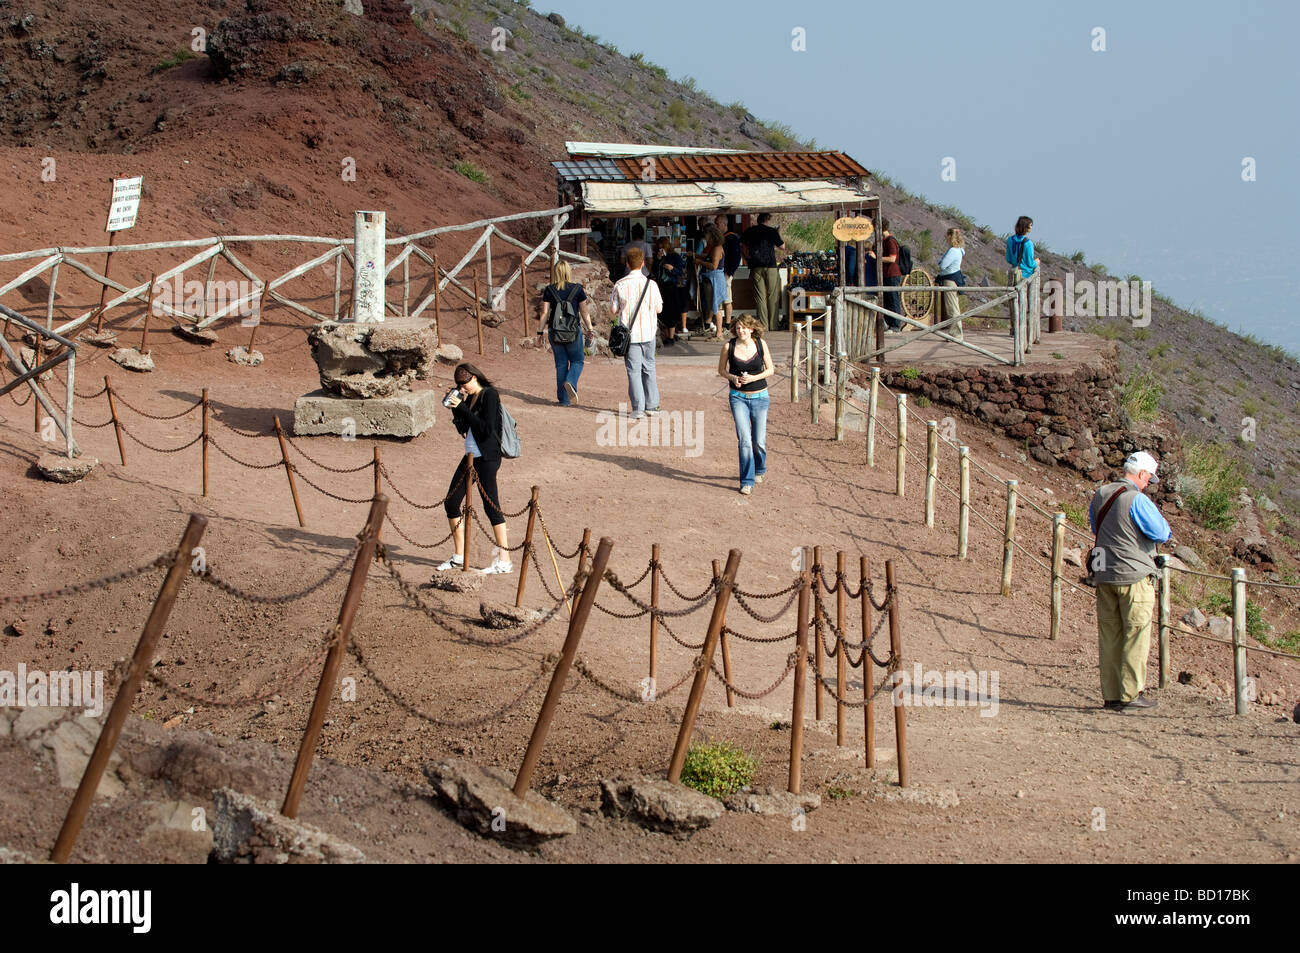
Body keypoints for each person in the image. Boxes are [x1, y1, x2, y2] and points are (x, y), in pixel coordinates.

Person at [1088, 451, 1171, 712]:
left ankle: (1111, 695)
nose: (1149, 484)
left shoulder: (1101, 494)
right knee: (1135, 634)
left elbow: (1095, 527)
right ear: (1142, 474)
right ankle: (1130, 693)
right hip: (1134, 576)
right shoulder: (1137, 499)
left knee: (1109, 634)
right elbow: (1161, 532)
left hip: (1104, 575)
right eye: (1149, 479)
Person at [437, 363, 512, 574]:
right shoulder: (468, 398)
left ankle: (504, 560)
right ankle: (459, 556)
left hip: (487, 457)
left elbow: (486, 429)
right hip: (470, 456)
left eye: (466, 382)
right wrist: (456, 410)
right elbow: (464, 429)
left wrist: (462, 408)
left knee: (491, 506)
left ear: (475, 378)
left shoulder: (490, 395)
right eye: (460, 384)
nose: (464, 387)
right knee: (451, 502)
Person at [717, 315, 774, 495]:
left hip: (760, 397)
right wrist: (733, 378)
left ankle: (760, 468)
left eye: (744, 327)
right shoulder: (729, 346)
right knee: (745, 440)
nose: (741, 331)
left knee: (759, 441)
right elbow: (721, 370)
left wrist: (753, 378)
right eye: (738, 328)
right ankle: (747, 481)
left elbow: (771, 369)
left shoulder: (760, 344)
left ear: (751, 329)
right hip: (738, 398)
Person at [609, 246, 663, 419]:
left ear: (627, 263)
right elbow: (659, 308)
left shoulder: (620, 284)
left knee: (633, 371)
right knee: (649, 367)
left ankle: (638, 408)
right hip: (648, 332)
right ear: (642, 263)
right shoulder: (651, 284)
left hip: (630, 335)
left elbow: (613, 309)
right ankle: (652, 405)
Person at [536, 259, 594, 405]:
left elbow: (544, 313)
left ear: (555, 273)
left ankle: (563, 399)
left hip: (555, 332)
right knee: (577, 360)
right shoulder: (577, 289)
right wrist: (590, 329)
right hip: (573, 332)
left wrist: (539, 332)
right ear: (569, 272)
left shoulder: (550, 289)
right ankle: (570, 381)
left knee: (561, 364)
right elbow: (584, 311)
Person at [741, 212, 785, 330]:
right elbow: (782, 247)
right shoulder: (771, 231)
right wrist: (778, 233)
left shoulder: (750, 231)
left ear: (758, 220)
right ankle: (774, 325)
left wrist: (746, 257)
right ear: (767, 220)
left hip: (756, 266)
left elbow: (742, 244)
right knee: (772, 295)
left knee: (760, 297)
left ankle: (763, 325)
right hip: (770, 266)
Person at [1005, 215, 1039, 337]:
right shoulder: (1028, 243)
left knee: (1013, 303)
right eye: (1030, 226)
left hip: (1013, 274)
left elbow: (1008, 258)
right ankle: (1023, 330)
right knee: (1024, 304)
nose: (1031, 228)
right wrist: (1037, 262)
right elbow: (1030, 263)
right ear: (1025, 227)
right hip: (1025, 276)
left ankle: (1013, 327)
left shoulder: (1010, 240)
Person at [653, 236, 688, 345]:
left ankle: (671, 337)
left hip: (671, 285)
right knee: (662, 311)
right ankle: (665, 334)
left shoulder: (674, 256)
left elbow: (681, 271)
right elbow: (654, 270)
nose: (660, 250)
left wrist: (672, 269)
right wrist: (658, 259)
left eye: (662, 247)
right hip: (661, 286)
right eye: (659, 248)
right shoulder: (658, 257)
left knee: (671, 311)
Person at [695, 224, 727, 339]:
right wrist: (697, 256)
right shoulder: (713, 247)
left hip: (715, 279)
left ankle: (719, 332)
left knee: (715, 305)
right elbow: (708, 257)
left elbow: (714, 265)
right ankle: (708, 325)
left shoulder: (717, 248)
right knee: (712, 304)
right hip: (710, 278)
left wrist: (700, 262)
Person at [935, 227, 966, 341]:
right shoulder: (959, 250)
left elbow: (943, 265)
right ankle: (954, 332)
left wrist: (941, 260)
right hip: (954, 278)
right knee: (953, 306)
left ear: (949, 236)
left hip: (950, 279)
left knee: (952, 307)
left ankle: (956, 333)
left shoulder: (953, 250)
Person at [719, 214, 742, 331]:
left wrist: (730, 272)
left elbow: (736, 257)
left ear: (724, 224)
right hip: (720, 272)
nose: (716, 226)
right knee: (721, 299)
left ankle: (727, 323)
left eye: (718, 224)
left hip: (726, 272)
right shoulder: (721, 238)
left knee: (727, 298)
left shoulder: (732, 238)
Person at [880, 219, 903, 331]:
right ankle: (890, 323)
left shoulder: (890, 241)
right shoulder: (885, 240)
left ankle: (895, 325)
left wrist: (878, 258)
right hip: (887, 274)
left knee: (893, 299)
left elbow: (892, 258)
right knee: (888, 299)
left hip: (892, 273)